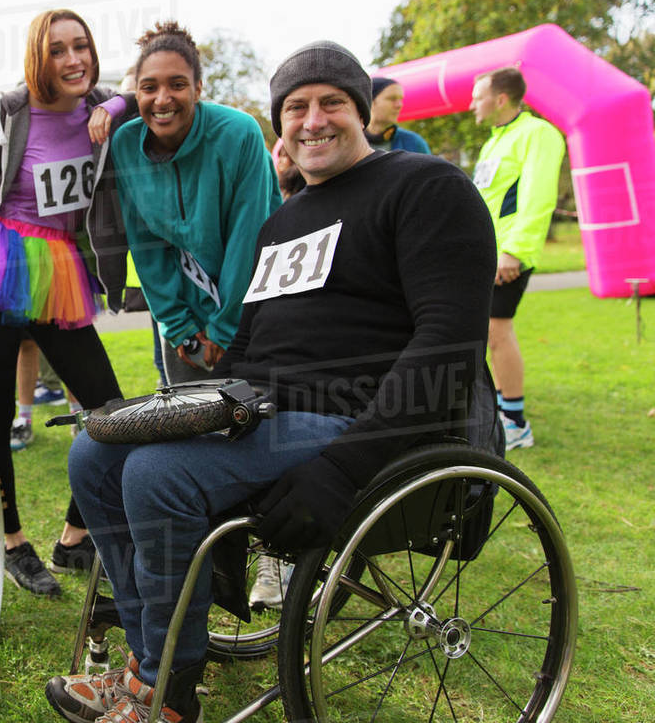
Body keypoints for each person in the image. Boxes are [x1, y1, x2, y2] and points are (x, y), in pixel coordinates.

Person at [45, 41, 497, 723]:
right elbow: (247, 348)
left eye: (331, 103)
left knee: (158, 475)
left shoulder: (426, 187)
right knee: (95, 453)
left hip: (357, 419)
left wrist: (343, 468)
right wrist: (196, 410)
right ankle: (145, 660)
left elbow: (449, 345)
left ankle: (168, 692)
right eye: (295, 108)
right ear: (280, 123)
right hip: (265, 411)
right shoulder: (284, 222)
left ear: (362, 111)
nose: (313, 121)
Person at [0, 8, 135, 595]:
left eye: (82, 46)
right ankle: (11, 542)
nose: (74, 59)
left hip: (61, 270)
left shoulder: (100, 106)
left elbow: (144, 94)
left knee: (110, 409)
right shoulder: (7, 112)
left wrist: (115, 105)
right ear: (38, 56)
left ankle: (74, 537)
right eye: (58, 49)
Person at [99, 20, 281, 385]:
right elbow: (145, 245)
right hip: (183, 315)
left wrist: (225, 329)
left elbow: (248, 237)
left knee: (258, 409)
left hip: (252, 304)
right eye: (149, 87)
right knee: (189, 412)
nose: (162, 99)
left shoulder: (239, 133)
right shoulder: (125, 144)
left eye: (177, 84)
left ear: (198, 88)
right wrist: (179, 327)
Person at [469, 66, 565, 451]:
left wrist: (515, 251)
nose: (472, 105)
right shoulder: (493, 141)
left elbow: (538, 196)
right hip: (483, 253)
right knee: (483, 333)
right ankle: (496, 410)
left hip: (507, 254)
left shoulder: (538, 133)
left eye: (478, 97)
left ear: (501, 99)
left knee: (497, 331)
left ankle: (515, 422)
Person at [364, 77, 431, 153]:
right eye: (392, 99)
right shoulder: (353, 141)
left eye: (400, 99)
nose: (400, 105)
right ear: (370, 102)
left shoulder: (414, 143)